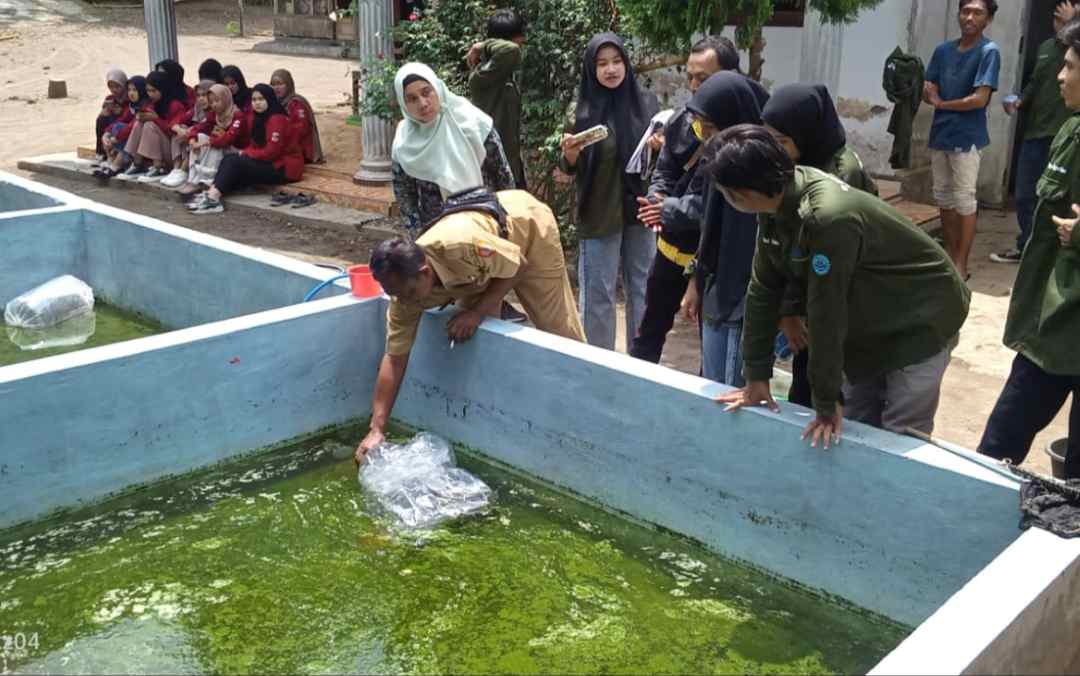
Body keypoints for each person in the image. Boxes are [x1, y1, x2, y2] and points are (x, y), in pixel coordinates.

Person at [711, 125, 969, 447]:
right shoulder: (775, 202)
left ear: (742, 193)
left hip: (921, 317)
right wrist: (756, 377)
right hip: (868, 320)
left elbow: (825, 313)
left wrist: (825, 399)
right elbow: (763, 288)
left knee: (899, 435)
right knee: (855, 426)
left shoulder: (826, 218)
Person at [353, 189, 586, 462]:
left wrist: (477, 312)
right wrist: (376, 429)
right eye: (395, 294)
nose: (403, 301)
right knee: (472, 336)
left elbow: (518, 265)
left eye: (408, 293)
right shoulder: (403, 293)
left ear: (424, 273)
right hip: (481, 266)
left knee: (557, 329)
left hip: (529, 229)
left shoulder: (461, 248)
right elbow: (394, 358)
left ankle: (581, 409)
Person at [978, 17, 1080, 479]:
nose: (1061, 76)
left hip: (1068, 313)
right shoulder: (1070, 130)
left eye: (1071, 66)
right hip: (1054, 317)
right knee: (1000, 441)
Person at [630, 36, 755, 365]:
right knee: (649, 333)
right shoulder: (683, 119)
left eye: (705, 77)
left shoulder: (747, 136)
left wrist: (669, 209)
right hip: (671, 247)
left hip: (713, 258)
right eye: (691, 77)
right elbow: (666, 169)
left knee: (712, 345)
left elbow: (720, 203)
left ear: (730, 76)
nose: (695, 85)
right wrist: (657, 199)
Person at [760, 83, 878, 408]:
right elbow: (776, 242)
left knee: (834, 394)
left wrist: (795, 311)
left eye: (781, 140)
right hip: (810, 296)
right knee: (804, 385)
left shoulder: (842, 174)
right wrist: (787, 312)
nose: (773, 148)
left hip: (841, 296)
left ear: (805, 133)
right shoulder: (787, 164)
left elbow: (827, 259)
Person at [560, 33, 659, 352]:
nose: (611, 69)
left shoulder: (646, 103)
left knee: (643, 287)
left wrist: (660, 148)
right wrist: (570, 154)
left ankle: (642, 359)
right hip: (599, 211)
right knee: (598, 292)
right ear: (592, 69)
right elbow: (568, 165)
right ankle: (600, 363)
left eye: (617, 61)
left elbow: (660, 163)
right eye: (602, 64)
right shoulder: (581, 110)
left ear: (626, 65)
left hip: (641, 209)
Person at [678, 73, 767, 387]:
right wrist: (696, 282)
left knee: (730, 396)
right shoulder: (719, 161)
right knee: (714, 388)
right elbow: (710, 230)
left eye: (711, 127)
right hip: (716, 296)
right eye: (701, 126)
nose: (704, 135)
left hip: (739, 306)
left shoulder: (754, 176)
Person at [923, 0, 1001, 281]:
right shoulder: (942, 51)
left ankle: (961, 264)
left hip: (967, 138)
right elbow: (928, 89)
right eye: (965, 11)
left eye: (977, 12)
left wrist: (940, 103)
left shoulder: (988, 52)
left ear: (988, 19)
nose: (969, 17)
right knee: (943, 198)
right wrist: (923, 91)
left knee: (965, 200)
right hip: (941, 135)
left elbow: (979, 100)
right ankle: (949, 255)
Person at [993, 1, 1076, 264]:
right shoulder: (1045, 49)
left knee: (1055, 198)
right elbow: (1034, 84)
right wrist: (1019, 100)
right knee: (1027, 194)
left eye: (1064, 18)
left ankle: (1050, 252)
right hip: (1035, 133)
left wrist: (1073, 25)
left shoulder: (1073, 51)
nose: (1057, 23)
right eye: (1055, 17)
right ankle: (1027, 246)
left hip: (1061, 134)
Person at [391, 62, 514, 236]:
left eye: (427, 92)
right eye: (411, 99)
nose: (423, 103)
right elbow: (405, 199)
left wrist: (509, 226)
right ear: (403, 104)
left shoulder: (474, 123)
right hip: (437, 237)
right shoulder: (404, 142)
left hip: (487, 228)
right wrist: (419, 240)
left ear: (437, 88)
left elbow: (504, 178)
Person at [189, 84, 303, 214]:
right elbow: (255, 145)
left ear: (269, 99)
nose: (257, 103)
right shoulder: (257, 118)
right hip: (270, 163)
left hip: (284, 168)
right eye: (254, 100)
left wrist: (246, 153)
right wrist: (245, 153)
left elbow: (272, 152)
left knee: (235, 161)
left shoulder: (277, 119)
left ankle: (212, 198)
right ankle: (212, 193)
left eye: (261, 99)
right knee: (231, 160)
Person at [466, 8, 527, 188]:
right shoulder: (482, 76)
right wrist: (481, 46)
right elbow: (511, 50)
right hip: (493, 168)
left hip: (510, 163)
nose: (523, 42)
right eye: (519, 37)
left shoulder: (502, 74)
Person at [178, 83, 249, 193]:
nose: (214, 105)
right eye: (211, 102)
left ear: (225, 99)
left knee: (213, 145)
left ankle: (207, 182)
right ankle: (193, 179)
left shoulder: (237, 116)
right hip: (222, 147)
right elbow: (198, 128)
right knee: (200, 137)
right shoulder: (214, 114)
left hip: (238, 151)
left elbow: (228, 139)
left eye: (217, 101)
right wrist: (192, 140)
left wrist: (206, 143)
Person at [119, 71, 188, 183]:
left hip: (174, 153)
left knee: (150, 125)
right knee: (141, 123)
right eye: (148, 91)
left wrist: (156, 118)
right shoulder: (153, 103)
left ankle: (158, 167)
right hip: (163, 150)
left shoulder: (175, 105)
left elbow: (174, 132)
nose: (150, 94)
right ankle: (137, 163)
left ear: (163, 89)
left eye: (153, 91)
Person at [161, 80, 216, 188]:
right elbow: (176, 121)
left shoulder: (216, 110)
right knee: (180, 130)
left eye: (204, 95)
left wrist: (188, 132)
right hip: (195, 139)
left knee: (192, 134)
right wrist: (178, 128)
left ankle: (183, 169)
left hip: (207, 145)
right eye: (198, 95)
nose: (201, 99)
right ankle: (176, 168)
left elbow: (205, 128)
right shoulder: (197, 108)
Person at [95, 76, 149, 179]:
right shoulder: (133, 105)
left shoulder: (145, 105)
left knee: (128, 129)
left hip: (146, 146)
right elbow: (123, 120)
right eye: (129, 90)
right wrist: (106, 134)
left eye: (135, 90)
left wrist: (116, 138)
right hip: (132, 143)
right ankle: (114, 161)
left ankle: (117, 165)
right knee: (117, 126)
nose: (131, 93)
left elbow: (132, 126)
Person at [271, 68, 325, 164]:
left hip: (301, 149)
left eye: (280, 84)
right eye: (273, 84)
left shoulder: (296, 103)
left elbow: (300, 130)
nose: (276, 88)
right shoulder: (276, 103)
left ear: (289, 85)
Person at [95, 69, 127, 162]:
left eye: (117, 86)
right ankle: (101, 151)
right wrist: (105, 111)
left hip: (123, 125)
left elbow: (129, 117)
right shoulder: (110, 98)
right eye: (111, 87)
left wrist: (120, 112)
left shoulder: (129, 97)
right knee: (101, 119)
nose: (114, 90)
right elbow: (101, 115)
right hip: (111, 124)